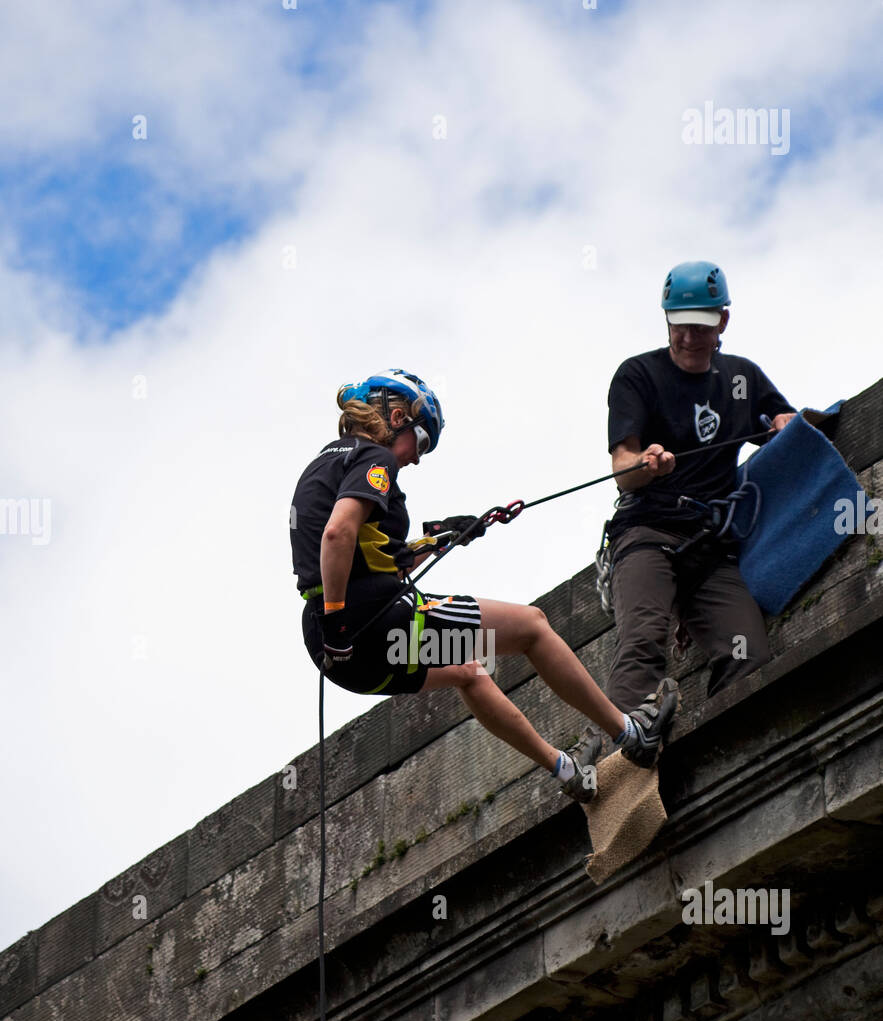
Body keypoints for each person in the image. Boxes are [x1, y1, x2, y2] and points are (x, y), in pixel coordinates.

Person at [290, 368, 680, 803]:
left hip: (338, 655)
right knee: (532, 626)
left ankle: (567, 770)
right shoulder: (373, 458)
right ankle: (631, 733)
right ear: (397, 416)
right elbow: (337, 536)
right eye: (421, 443)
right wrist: (341, 620)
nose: (417, 458)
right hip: (366, 622)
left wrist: (446, 536)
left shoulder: (324, 463)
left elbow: (375, 556)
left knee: (469, 672)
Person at [601, 261, 796, 715]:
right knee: (643, 644)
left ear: (722, 321)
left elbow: (782, 425)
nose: (688, 338)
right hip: (648, 532)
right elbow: (622, 469)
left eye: (701, 327)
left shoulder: (742, 379)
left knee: (748, 651)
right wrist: (646, 466)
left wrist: (787, 422)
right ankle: (623, 766)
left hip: (711, 546)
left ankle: (729, 751)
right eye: (679, 326)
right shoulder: (637, 375)